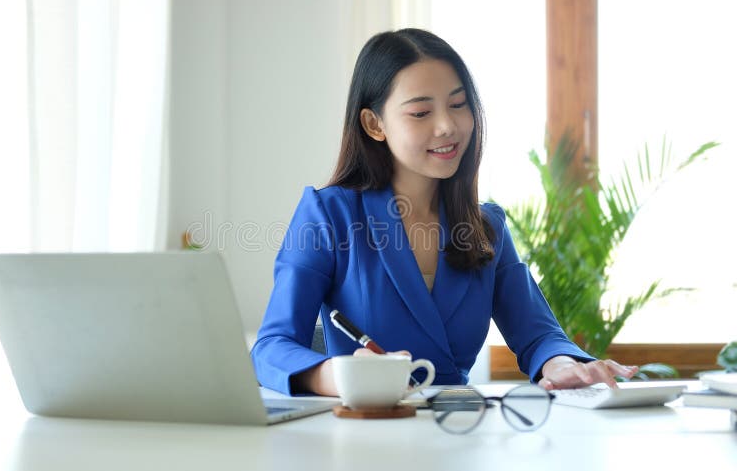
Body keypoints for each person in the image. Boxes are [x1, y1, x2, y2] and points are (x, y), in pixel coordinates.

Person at [250, 28, 638, 396]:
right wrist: (339, 376)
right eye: (421, 113)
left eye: (457, 104)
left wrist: (561, 364)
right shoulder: (328, 215)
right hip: (367, 429)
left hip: (461, 427)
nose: (447, 126)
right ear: (374, 124)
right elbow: (272, 347)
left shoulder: (486, 226)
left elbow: (538, 335)